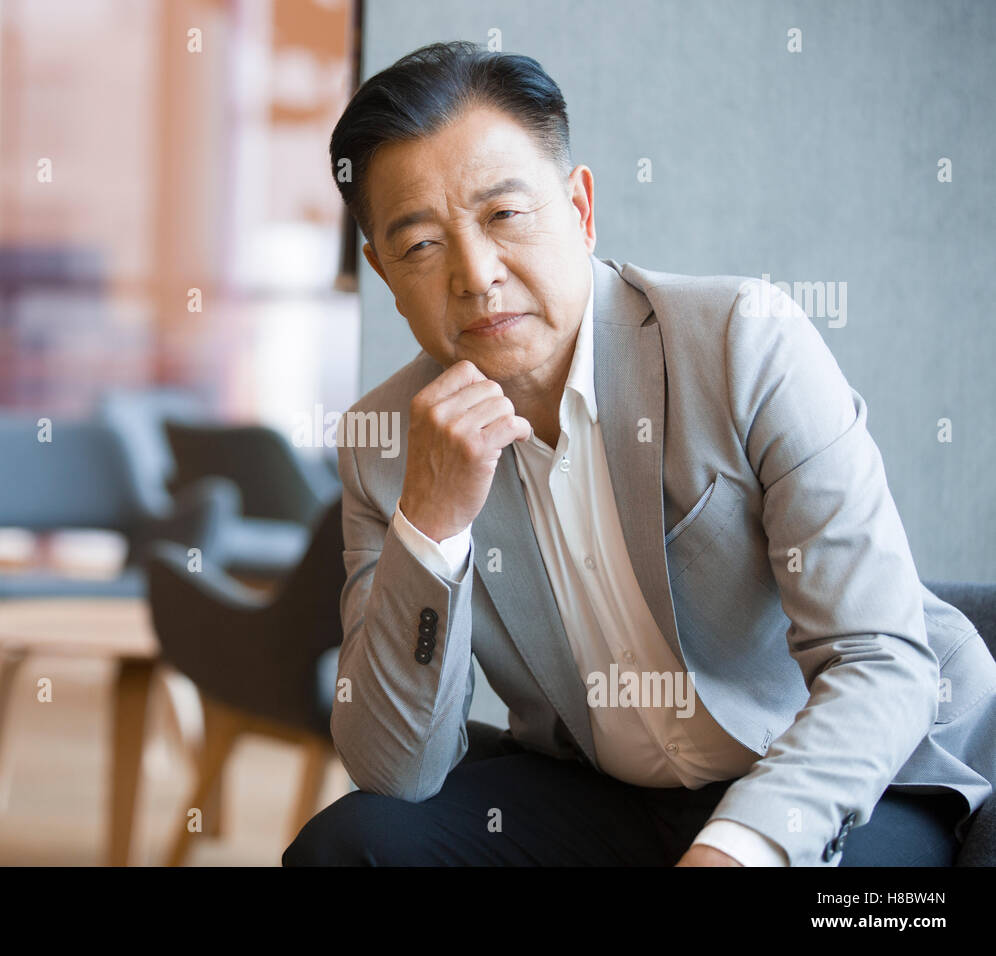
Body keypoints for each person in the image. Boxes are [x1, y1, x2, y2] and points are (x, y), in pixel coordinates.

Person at [283, 41, 996, 866]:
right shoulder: (389, 442)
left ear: (581, 209)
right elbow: (393, 767)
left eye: (505, 215)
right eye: (420, 246)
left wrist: (742, 845)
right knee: (353, 846)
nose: (477, 275)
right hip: (605, 790)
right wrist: (431, 527)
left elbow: (878, 660)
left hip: (845, 775)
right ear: (382, 271)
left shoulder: (741, 341)